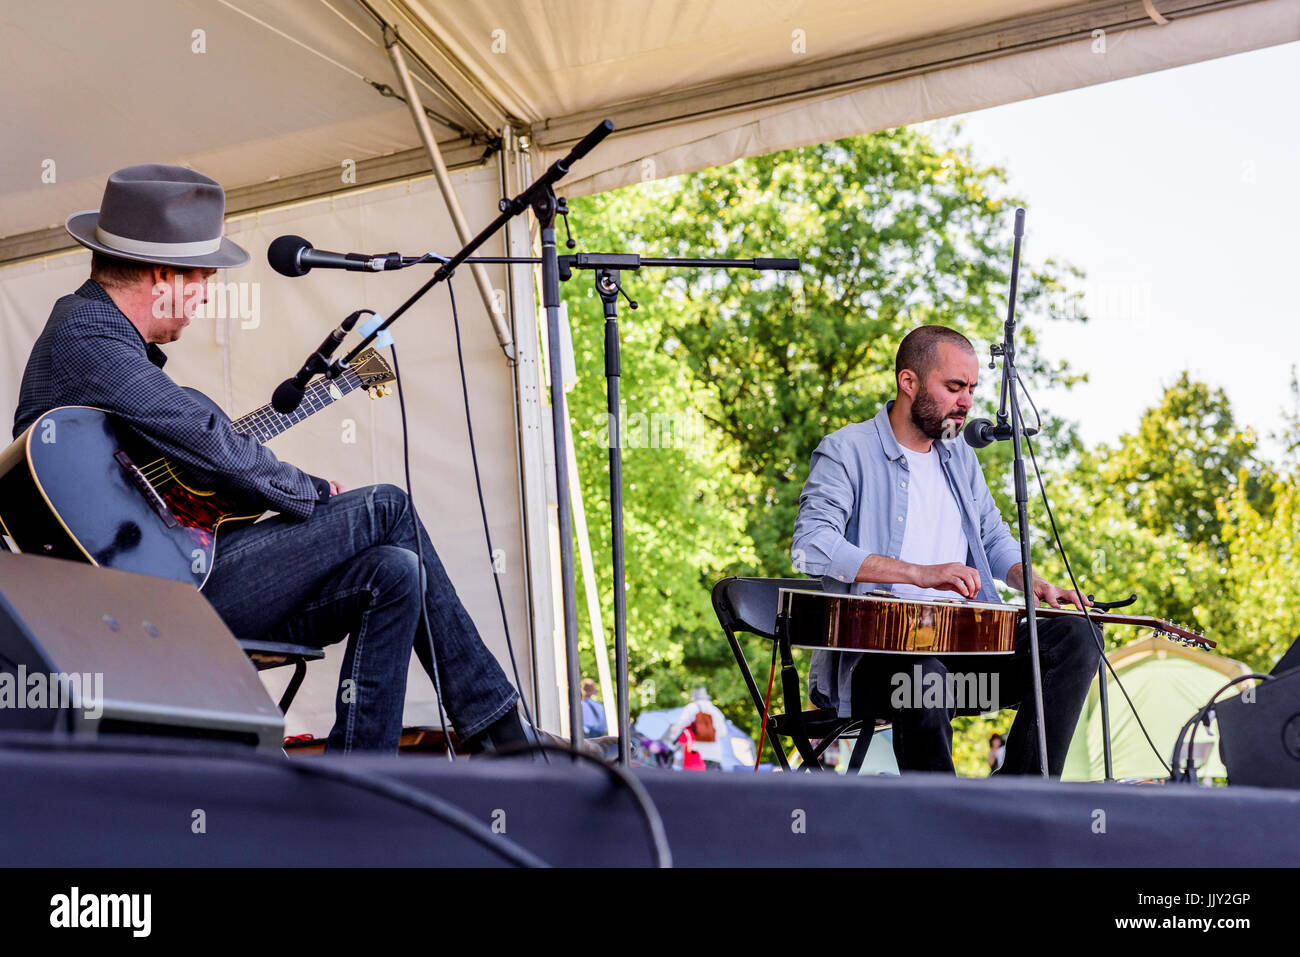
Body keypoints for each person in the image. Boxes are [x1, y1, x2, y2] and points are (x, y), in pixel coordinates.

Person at [14, 164, 530, 754]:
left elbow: (193, 461)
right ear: (163, 275)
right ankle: (501, 730)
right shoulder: (87, 334)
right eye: (203, 277)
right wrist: (308, 489)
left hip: (169, 585)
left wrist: (237, 491)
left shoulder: (104, 345)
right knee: (386, 508)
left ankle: (363, 776)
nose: (206, 294)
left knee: (394, 571)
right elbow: (204, 434)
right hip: (149, 605)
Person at [790, 324, 1102, 776]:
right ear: (908, 382)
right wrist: (919, 573)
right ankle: (946, 815)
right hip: (879, 663)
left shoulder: (960, 457)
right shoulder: (845, 450)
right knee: (924, 676)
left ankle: (1021, 795)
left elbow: (993, 537)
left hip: (966, 655)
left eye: (972, 388)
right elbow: (810, 548)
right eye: (954, 386)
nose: (967, 402)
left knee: (1076, 637)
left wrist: (1038, 584)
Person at [664, 687, 729, 771]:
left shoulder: (690, 708)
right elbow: (723, 733)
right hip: (715, 755)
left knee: (697, 782)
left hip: (696, 754)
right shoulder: (715, 711)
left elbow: (680, 727)